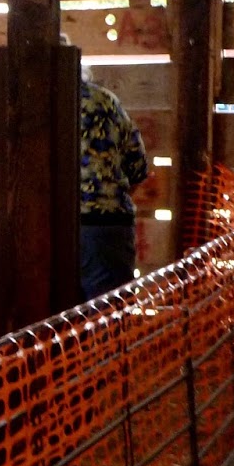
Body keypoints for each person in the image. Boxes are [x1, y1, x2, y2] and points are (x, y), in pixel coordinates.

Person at [77, 55, 151, 299]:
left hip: (44, 231)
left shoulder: (31, 105)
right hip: (106, 226)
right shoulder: (106, 101)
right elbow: (138, 166)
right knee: (108, 321)